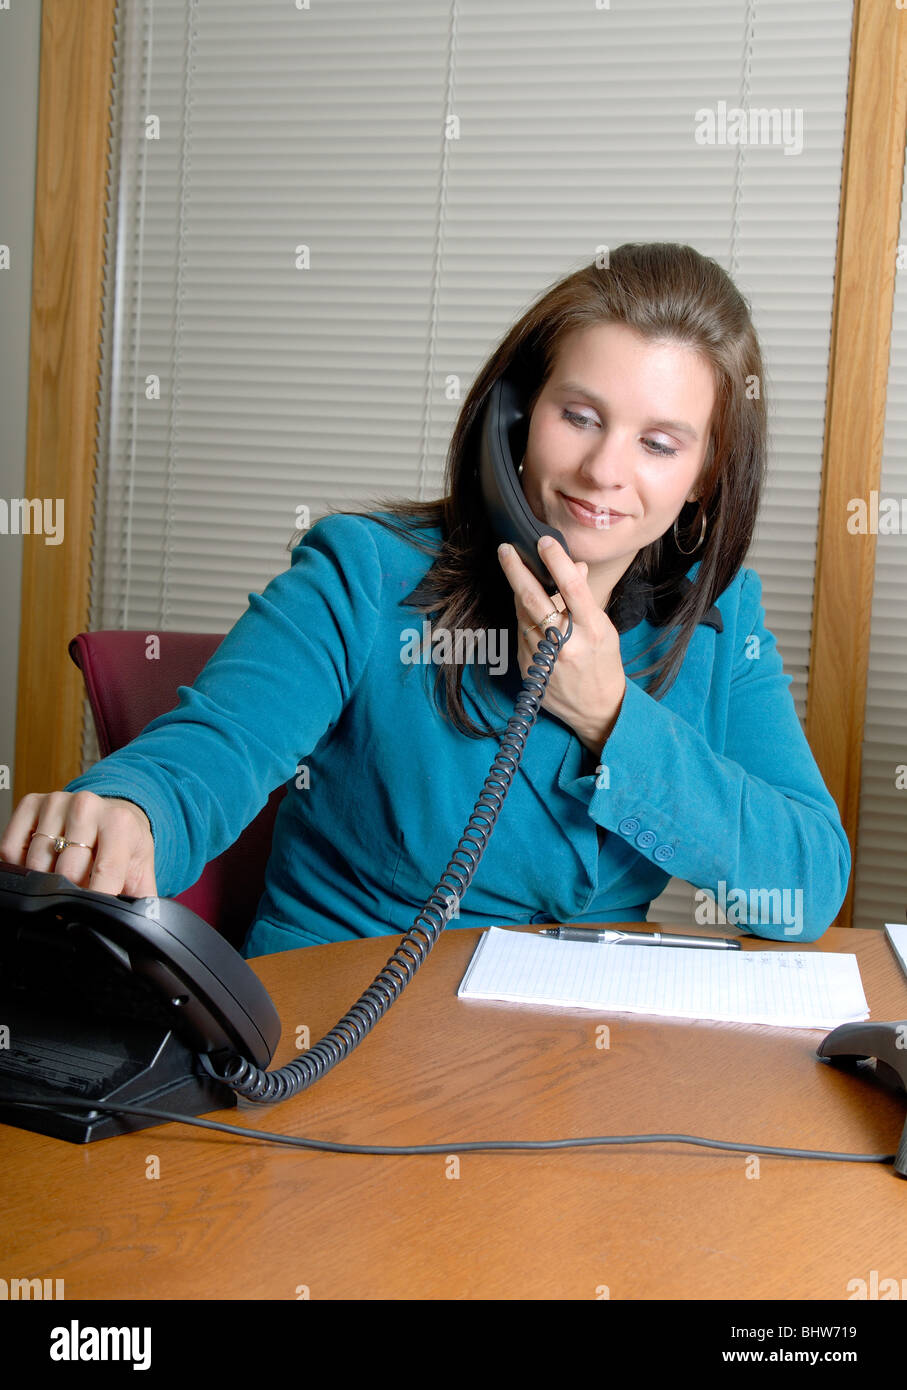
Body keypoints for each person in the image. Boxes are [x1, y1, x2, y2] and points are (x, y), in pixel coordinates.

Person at [0, 243, 851, 953]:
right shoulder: (366, 571)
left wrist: (609, 718)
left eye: (658, 443)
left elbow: (804, 884)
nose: (604, 472)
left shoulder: (716, 617)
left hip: (581, 1061)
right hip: (350, 1031)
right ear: (515, 419)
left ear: (704, 475)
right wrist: (129, 809)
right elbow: (213, 750)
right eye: (580, 416)